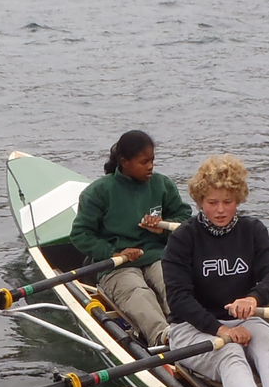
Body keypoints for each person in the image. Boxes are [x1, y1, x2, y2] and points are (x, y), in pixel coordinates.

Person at [161, 154, 269, 387]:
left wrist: (254, 298)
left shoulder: (253, 230)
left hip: (242, 319)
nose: (220, 210)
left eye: (228, 202)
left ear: (238, 200)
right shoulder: (183, 238)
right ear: (200, 201)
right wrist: (221, 330)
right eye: (212, 202)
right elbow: (179, 299)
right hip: (191, 328)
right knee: (231, 354)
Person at [68, 130, 191, 346]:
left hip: (157, 256)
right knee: (138, 293)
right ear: (124, 162)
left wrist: (162, 228)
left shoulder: (162, 185)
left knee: (171, 283)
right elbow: (80, 235)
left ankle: (190, 327)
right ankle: (163, 337)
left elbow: (184, 220)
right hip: (117, 265)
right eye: (144, 162)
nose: (151, 166)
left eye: (152, 160)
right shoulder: (98, 192)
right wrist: (114, 253)